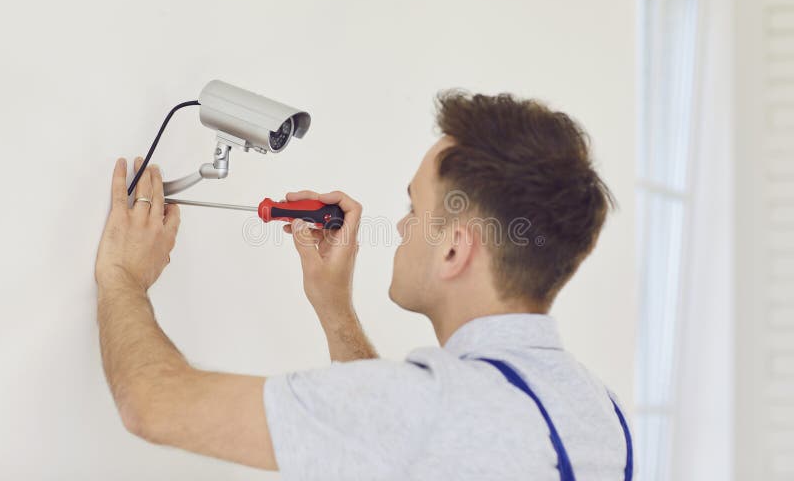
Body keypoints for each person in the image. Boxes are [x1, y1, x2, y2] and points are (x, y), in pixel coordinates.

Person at [95, 90, 633, 480]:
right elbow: (402, 446)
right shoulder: (600, 412)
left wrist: (123, 276)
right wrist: (334, 309)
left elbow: (154, 405)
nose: (400, 226)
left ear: (453, 249)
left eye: (413, 208)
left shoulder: (430, 407)